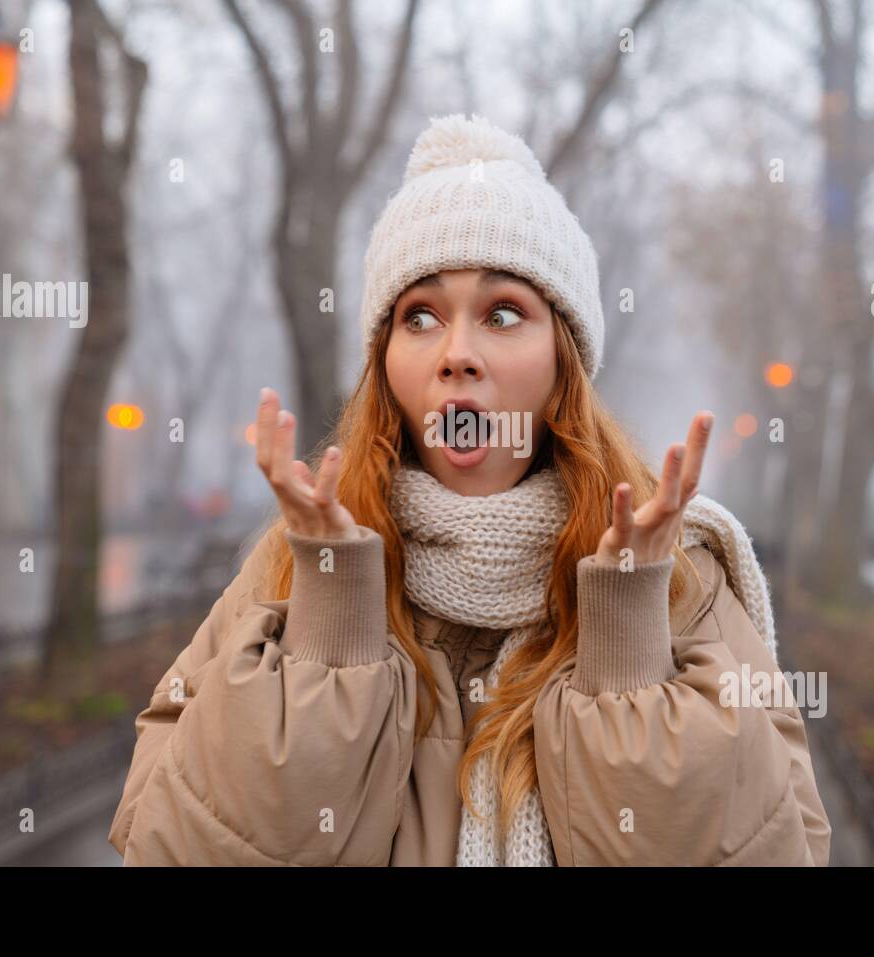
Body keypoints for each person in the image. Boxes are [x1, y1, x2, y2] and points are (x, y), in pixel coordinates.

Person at [109, 113, 831, 866]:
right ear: (386, 362)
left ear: (564, 363)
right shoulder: (291, 568)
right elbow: (175, 844)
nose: (457, 353)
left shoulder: (678, 577)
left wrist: (625, 641)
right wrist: (327, 633)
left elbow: (775, 847)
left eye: (503, 313)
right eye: (419, 315)